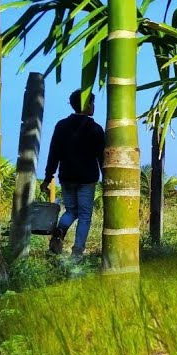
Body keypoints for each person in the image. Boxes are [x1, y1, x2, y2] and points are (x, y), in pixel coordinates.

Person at [41, 90, 105, 258]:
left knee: (71, 211)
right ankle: (77, 253)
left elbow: (54, 153)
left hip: (67, 177)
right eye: (92, 103)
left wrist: (48, 177)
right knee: (84, 216)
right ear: (87, 105)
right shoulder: (95, 129)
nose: (93, 106)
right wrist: (107, 179)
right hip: (87, 179)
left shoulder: (61, 125)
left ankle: (59, 232)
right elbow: (102, 158)